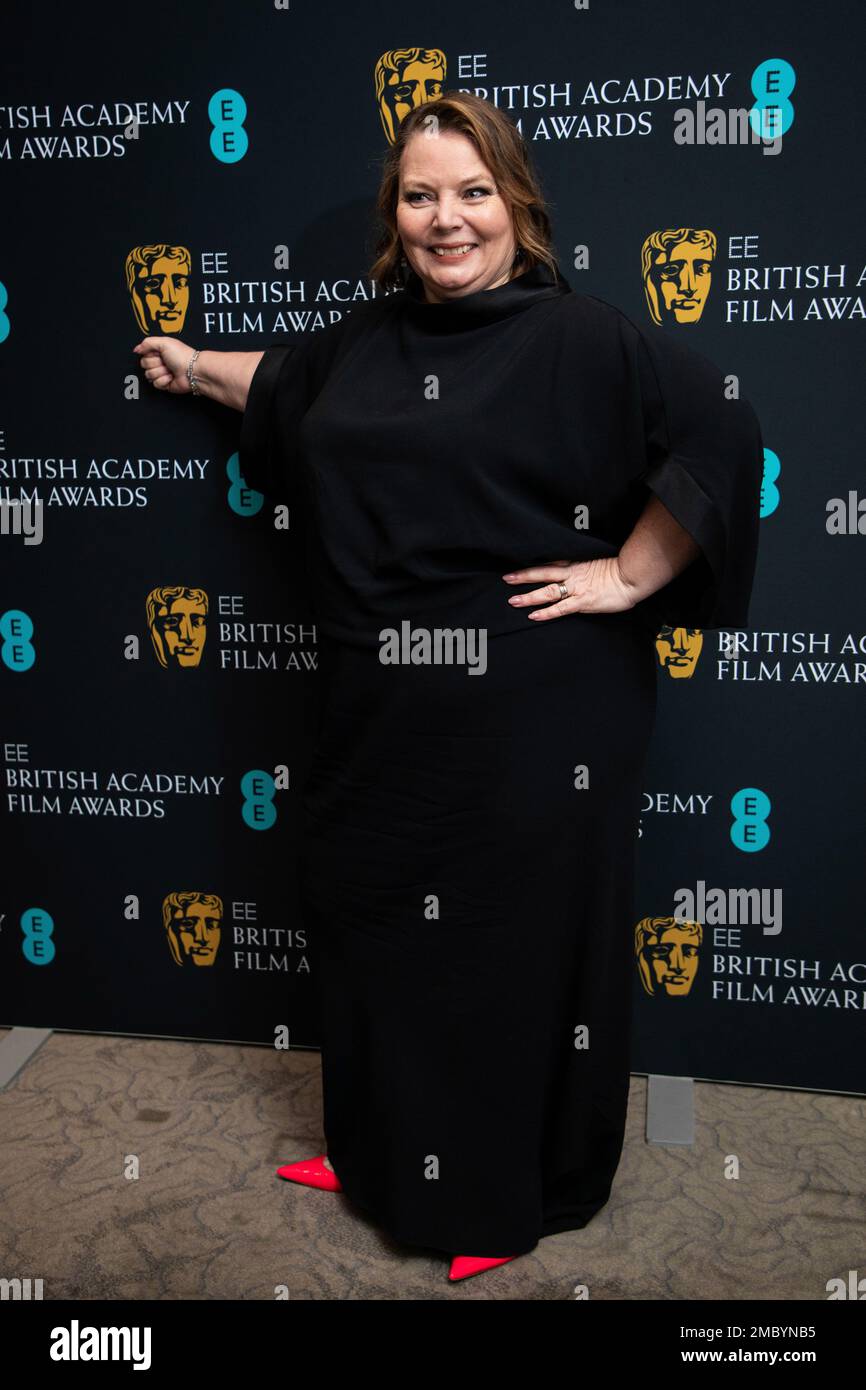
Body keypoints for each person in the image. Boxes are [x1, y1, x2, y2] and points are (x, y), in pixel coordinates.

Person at [134, 91, 763, 1284]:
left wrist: (628, 576)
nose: (446, 219)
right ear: (394, 216)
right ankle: (380, 1152)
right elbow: (276, 382)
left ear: (515, 206)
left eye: (472, 192)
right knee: (372, 931)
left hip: (538, 719)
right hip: (377, 714)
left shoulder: (584, 338)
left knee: (502, 951)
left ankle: (502, 1187)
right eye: (421, 195)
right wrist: (187, 361)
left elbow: (720, 431)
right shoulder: (363, 341)